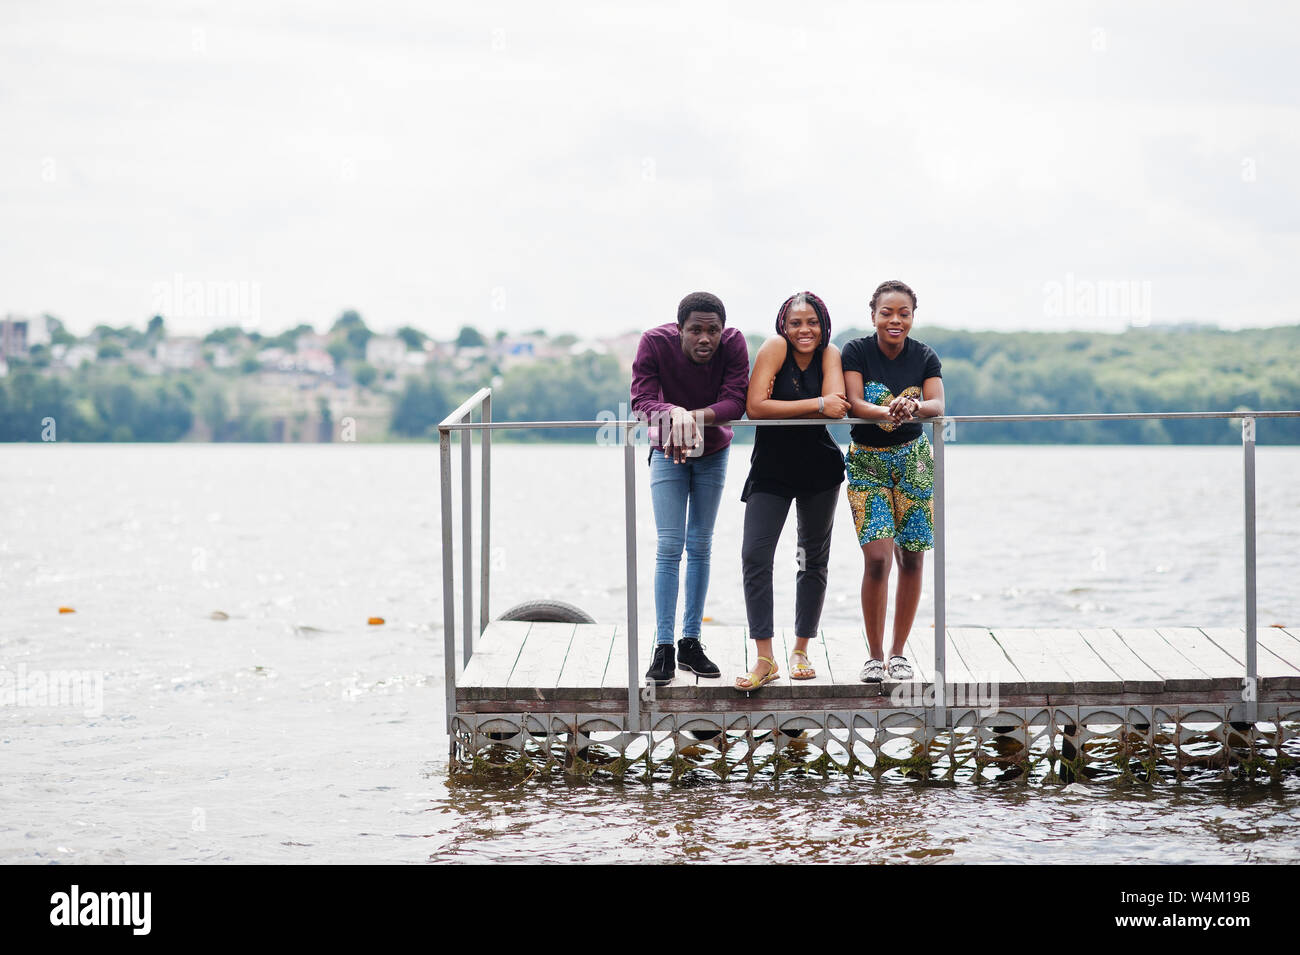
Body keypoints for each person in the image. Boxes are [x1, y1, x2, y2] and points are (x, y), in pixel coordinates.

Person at [631, 292, 750, 685]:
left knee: (700, 544)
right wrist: (674, 415)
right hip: (666, 449)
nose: (705, 338)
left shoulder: (733, 343)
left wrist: (691, 418)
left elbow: (736, 402)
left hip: (714, 450)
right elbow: (642, 399)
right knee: (669, 546)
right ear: (679, 328)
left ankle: (690, 643)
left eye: (712, 330)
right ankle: (663, 646)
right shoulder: (654, 342)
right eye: (695, 329)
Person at [734, 292, 848, 691]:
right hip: (772, 470)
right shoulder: (774, 347)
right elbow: (755, 408)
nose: (805, 330)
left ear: (823, 325)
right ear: (784, 324)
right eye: (796, 322)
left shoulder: (829, 353)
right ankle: (765, 657)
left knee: (811, 559)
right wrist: (816, 402)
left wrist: (817, 404)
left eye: (812, 322)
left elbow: (838, 407)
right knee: (755, 555)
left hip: (820, 469)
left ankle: (800, 649)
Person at [840, 280, 945, 683]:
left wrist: (914, 404)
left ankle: (899, 654)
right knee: (879, 558)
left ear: (912, 317)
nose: (895, 320)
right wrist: (888, 410)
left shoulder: (924, 356)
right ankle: (874, 655)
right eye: (887, 312)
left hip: (914, 463)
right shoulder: (857, 351)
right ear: (874, 315)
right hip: (867, 464)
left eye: (904, 313)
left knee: (913, 556)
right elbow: (855, 402)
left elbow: (937, 404)